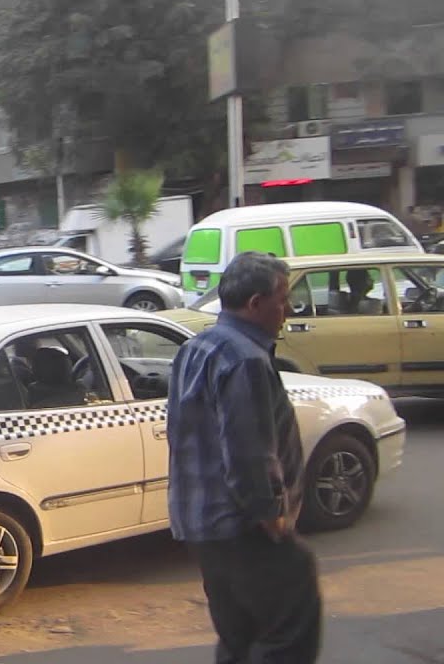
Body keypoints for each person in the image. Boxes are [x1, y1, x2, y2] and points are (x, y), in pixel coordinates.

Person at [167, 252, 320, 664]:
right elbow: (249, 453)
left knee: (239, 637)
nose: (287, 309)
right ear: (256, 304)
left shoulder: (195, 348)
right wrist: (272, 516)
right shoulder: (245, 360)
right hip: (244, 527)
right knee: (287, 631)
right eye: (283, 298)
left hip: (202, 526)